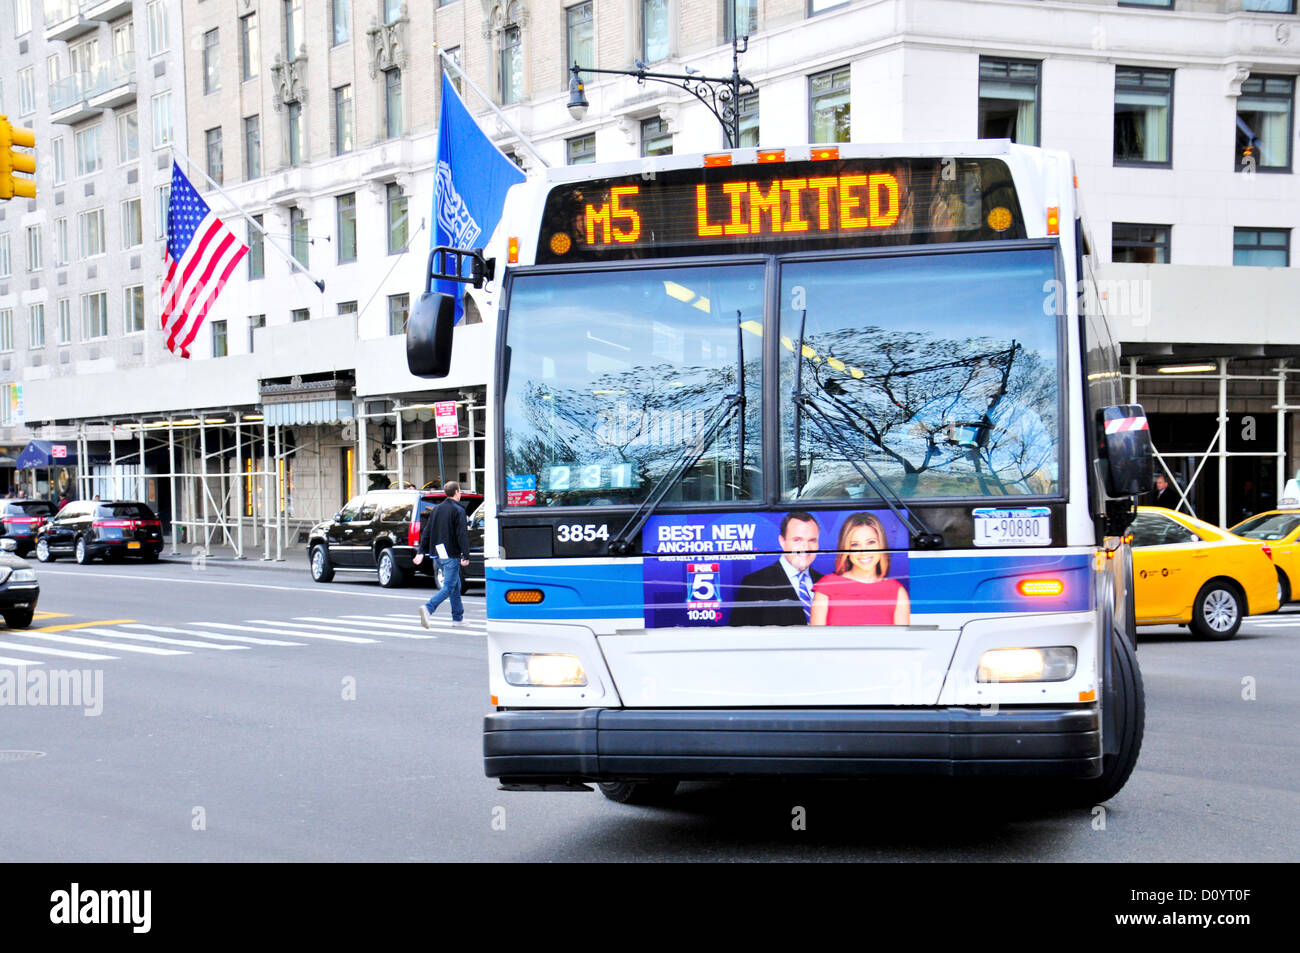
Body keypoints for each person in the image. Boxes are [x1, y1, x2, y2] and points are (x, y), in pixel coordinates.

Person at [810, 512, 910, 626]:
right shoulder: (826, 586)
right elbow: (818, 640)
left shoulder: (897, 591)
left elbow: (900, 641)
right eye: (855, 544)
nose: (864, 551)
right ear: (846, 548)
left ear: (881, 544)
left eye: (871, 542)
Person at [728, 511, 823, 626]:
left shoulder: (823, 582)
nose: (806, 547)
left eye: (812, 540)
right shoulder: (755, 583)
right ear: (782, 541)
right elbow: (741, 635)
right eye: (797, 540)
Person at [417, 481, 470, 628]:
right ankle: (428, 608)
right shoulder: (458, 511)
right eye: (460, 491)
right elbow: (462, 534)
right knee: (449, 586)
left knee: (455, 585)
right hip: (451, 553)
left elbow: (426, 531)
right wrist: (465, 555)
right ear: (457, 492)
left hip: (437, 554)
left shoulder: (436, 509)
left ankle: (457, 618)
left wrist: (421, 551)